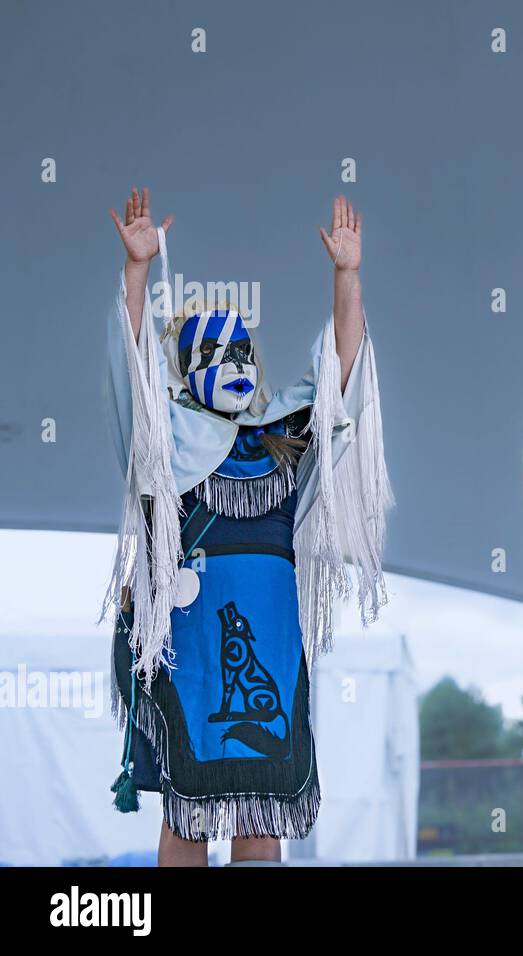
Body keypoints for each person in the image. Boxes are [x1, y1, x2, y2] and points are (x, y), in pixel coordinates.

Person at [103, 189, 392, 865]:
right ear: (184, 371)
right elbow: (132, 366)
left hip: (270, 643)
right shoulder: (162, 445)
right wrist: (139, 269)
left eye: (240, 353)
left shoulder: (283, 435)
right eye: (212, 354)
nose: (230, 365)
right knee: (191, 814)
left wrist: (346, 278)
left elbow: (343, 378)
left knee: (261, 816)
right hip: (193, 651)